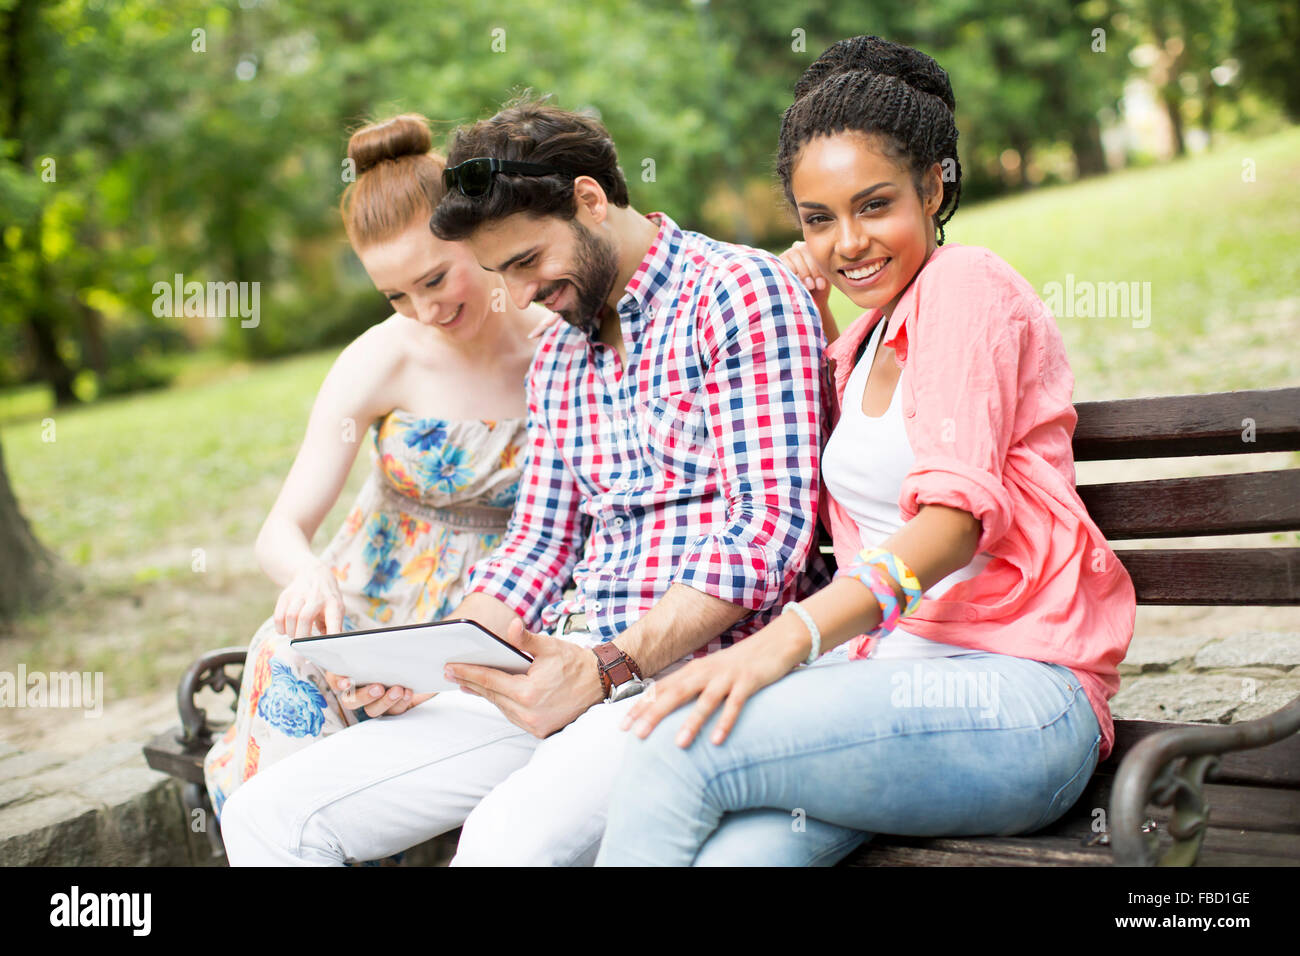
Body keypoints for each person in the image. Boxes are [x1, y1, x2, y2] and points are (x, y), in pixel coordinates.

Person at [216, 93, 827, 866]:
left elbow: (767, 532)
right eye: (503, 272)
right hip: (557, 671)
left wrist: (606, 667)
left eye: (528, 263)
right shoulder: (562, 357)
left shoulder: (736, 294)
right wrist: (438, 667)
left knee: (500, 844)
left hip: (696, 676)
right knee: (271, 814)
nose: (524, 292)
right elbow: (537, 547)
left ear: (590, 199)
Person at [595, 36, 1137, 866]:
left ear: (934, 185)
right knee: (739, 857)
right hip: (883, 695)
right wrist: (796, 306)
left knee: (675, 741)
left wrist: (785, 641)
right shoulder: (857, 345)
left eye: (874, 205)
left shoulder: (967, 284)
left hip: (1016, 695)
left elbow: (952, 524)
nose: (847, 242)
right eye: (819, 219)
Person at [203, 114, 553, 818]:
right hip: (371, 617)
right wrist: (307, 573)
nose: (423, 310)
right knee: (287, 659)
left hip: (500, 616)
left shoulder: (557, 342)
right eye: (396, 295)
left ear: (477, 237)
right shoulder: (380, 357)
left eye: (434, 278)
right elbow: (282, 528)